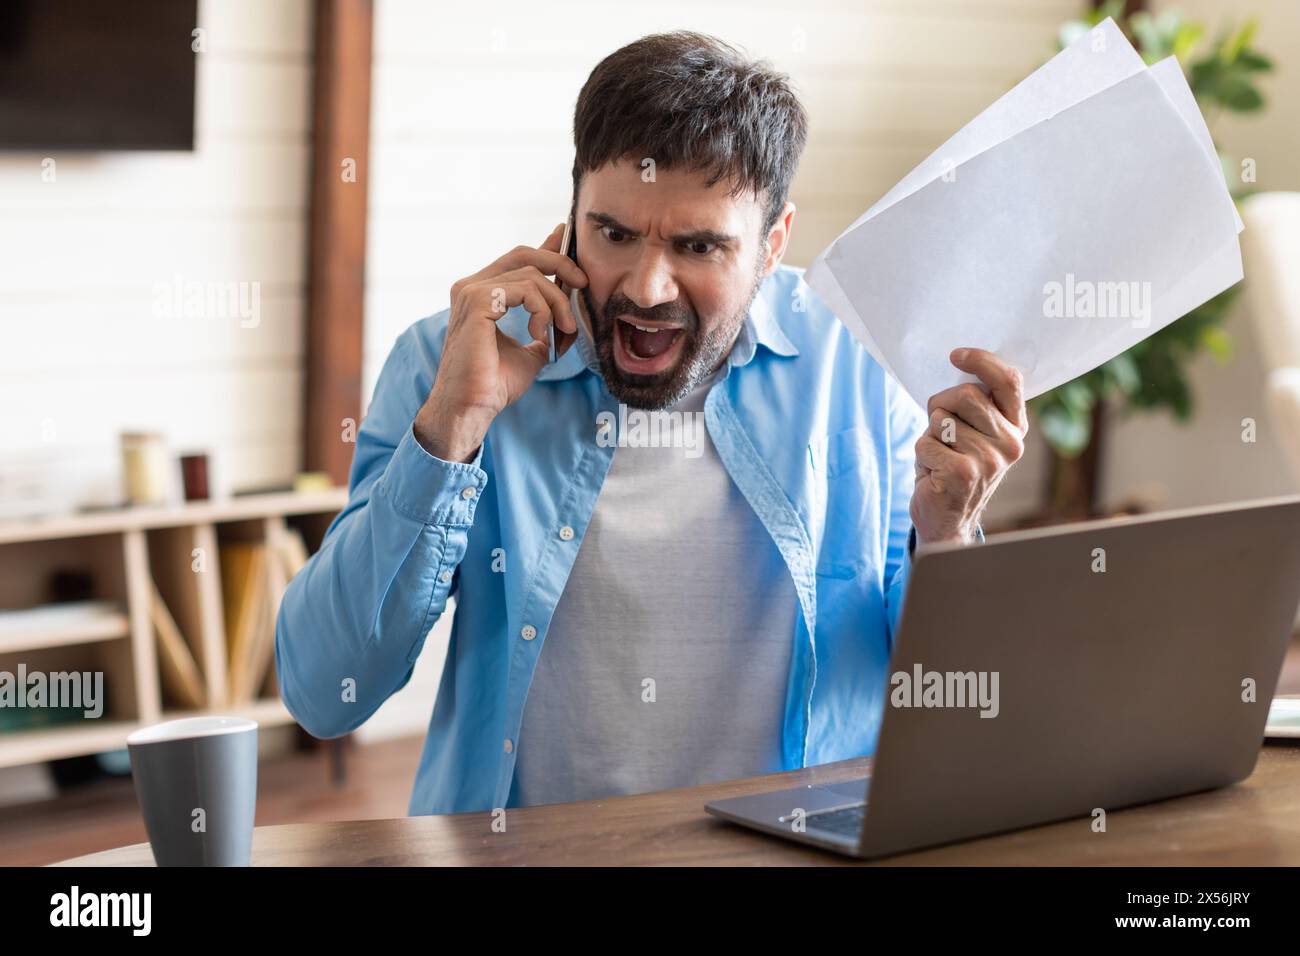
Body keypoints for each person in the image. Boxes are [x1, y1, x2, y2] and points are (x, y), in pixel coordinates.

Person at [275, 31, 1027, 815]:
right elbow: (326, 693)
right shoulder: (450, 358)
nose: (646, 285)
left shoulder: (860, 363)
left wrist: (947, 535)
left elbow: (959, 709)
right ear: (569, 219)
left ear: (772, 245)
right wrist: (453, 431)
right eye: (614, 233)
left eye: (698, 245)